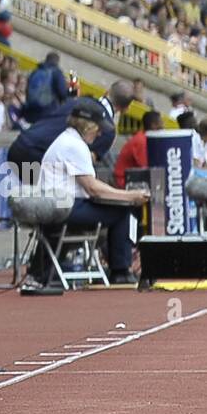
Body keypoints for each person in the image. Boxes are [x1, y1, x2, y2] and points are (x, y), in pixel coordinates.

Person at [27, 98, 148, 289]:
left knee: (115, 206)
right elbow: (93, 189)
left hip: (56, 204)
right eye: (97, 128)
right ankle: (121, 270)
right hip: (64, 206)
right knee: (122, 211)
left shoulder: (65, 140)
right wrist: (129, 197)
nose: (100, 133)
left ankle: (44, 270)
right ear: (86, 125)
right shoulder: (76, 146)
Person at [6, 79, 133, 176]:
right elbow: (84, 165)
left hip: (19, 145)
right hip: (38, 159)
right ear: (127, 109)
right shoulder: (108, 130)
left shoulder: (77, 101)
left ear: (107, 91)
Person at [113, 110, 163, 189]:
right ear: (154, 125)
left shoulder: (145, 138)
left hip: (134, 178)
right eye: (161, 123)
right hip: (124, 181)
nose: (163, 126)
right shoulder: (141, 141)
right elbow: (145, 166)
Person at [22, 52, 68, 123]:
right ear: (57, 61)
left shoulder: (36, 71)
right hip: (48, 111)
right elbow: (63, 93)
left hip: (31, 110)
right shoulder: (57, 73)